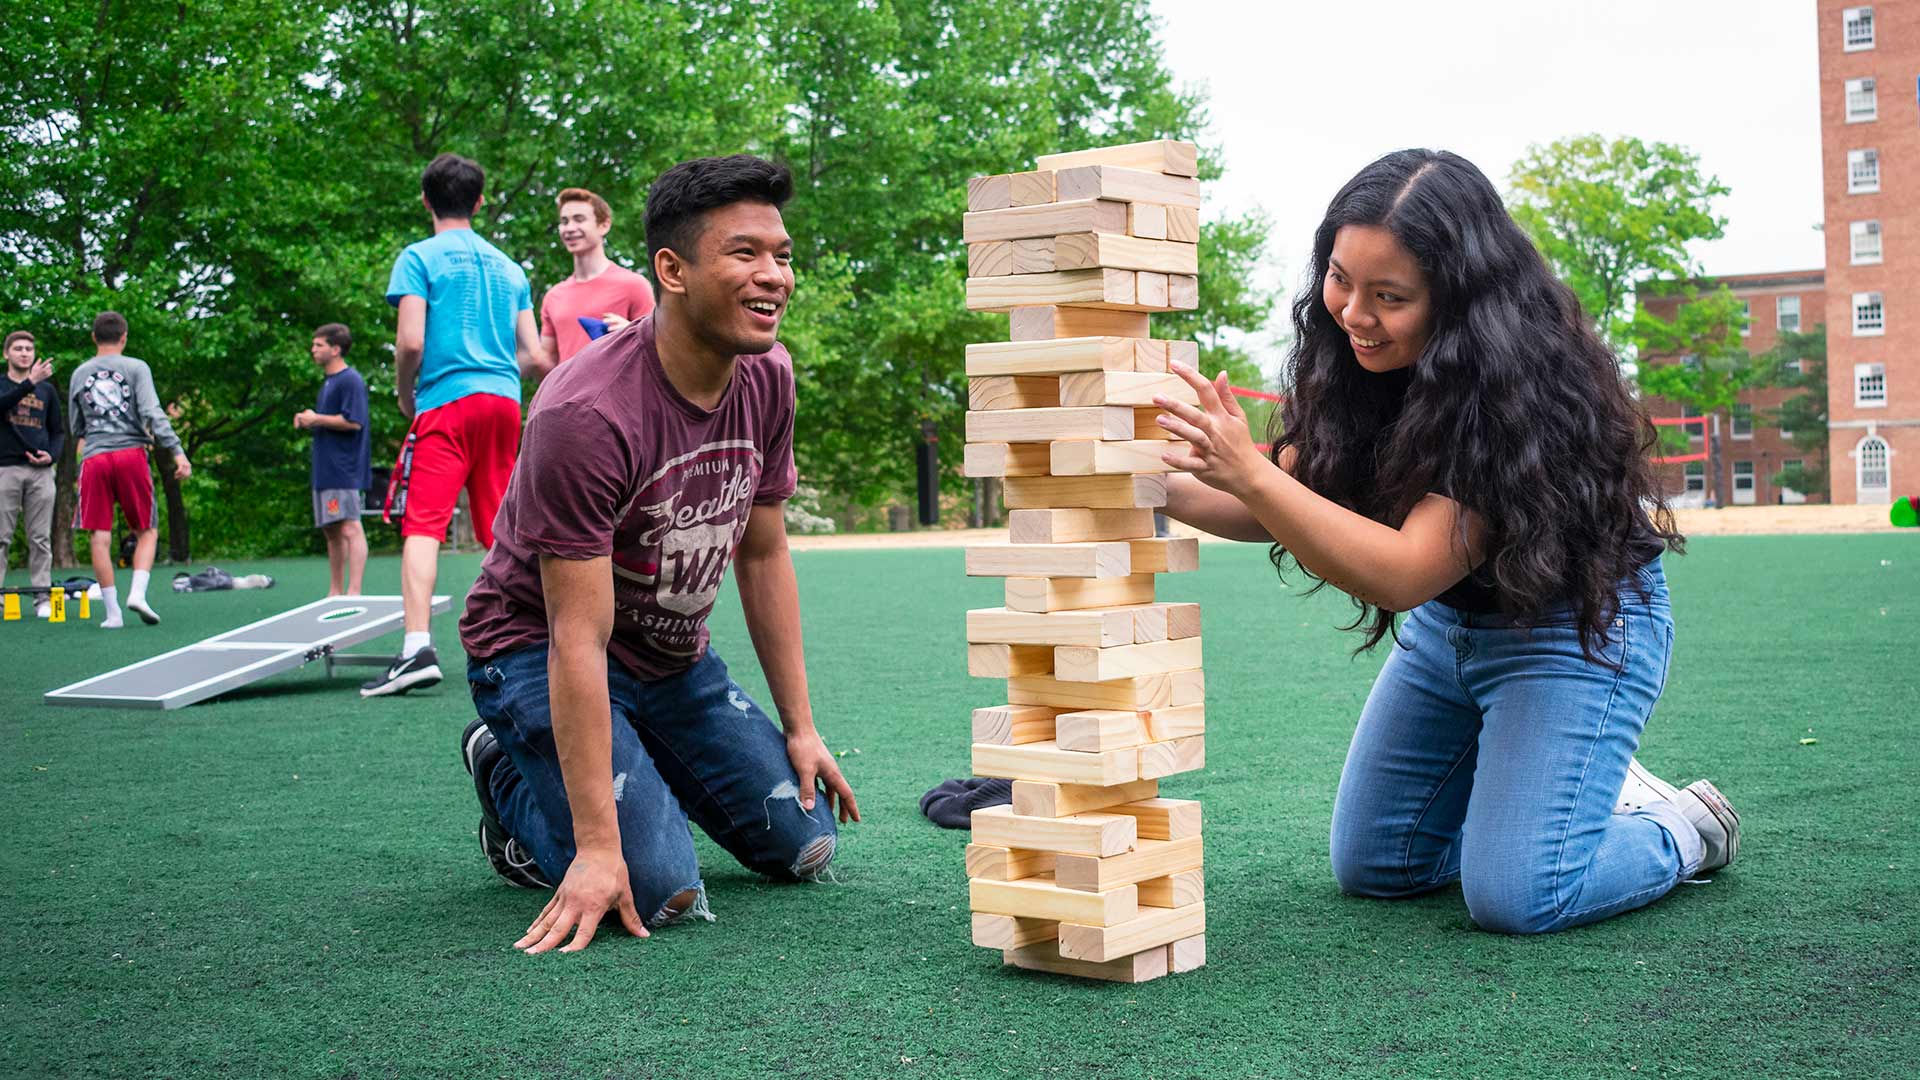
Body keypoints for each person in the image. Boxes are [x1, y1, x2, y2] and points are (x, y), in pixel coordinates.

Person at [1152, 149, 1739, 936]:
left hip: (1570, 634)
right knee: (1376, 867)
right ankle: (1547, 798)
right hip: (1450, 634)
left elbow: (1400, 573)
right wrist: (1149, 486)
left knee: (1519, 897)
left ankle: (1679, 829)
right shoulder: (1362, 364)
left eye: (1389, 296)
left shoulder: (1514, 398)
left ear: (1457, 298)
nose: (1353, 313)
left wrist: (1248, 476)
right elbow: (1294, 492)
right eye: (1339, 278)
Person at [458, 155, 858, 954]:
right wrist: (599, 848)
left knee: (804, 842)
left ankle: (634, 762)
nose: (774, 274)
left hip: (670, 661)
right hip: (539, 651)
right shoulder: (585, 412)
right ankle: (505, 774)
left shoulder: (769, 376)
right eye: (745, 253)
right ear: (672, 269)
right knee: (650, 888)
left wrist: (801, 727)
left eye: (781, 254)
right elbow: (577, 632)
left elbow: (763, 553)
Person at [364, 152, 549, 697]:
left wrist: (406, 395)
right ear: (481, 201)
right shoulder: (510, 267)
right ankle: (522, 645)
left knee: (424, 524)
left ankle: (416, 647)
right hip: (502, 403)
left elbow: (412, 341)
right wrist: (494, 375)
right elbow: (535, 355)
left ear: (426, 200)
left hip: (445, 402)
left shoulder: (419, 257)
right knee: (501, 528)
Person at [68, 312, 190, 629]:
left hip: (94, 457)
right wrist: (177, 450)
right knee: (146, 529)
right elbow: (152, 411)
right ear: (124, 337)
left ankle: (112, 614)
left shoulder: (80, 373)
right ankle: (137, 594)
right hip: (130, 454)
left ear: (94, 337)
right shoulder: (136, 368)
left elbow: (75, 426)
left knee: (99, 535)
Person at [538, 187, 656, 365]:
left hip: (618, 392)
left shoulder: (634, 285)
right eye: (564, 221)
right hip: (568, 392)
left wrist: (632, 334)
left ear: (604, 225)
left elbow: (658, 349)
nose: (569, 228)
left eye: (579, 219)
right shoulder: (553, 296)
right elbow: (545, 362)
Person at [295, 323, 370, 597]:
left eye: (319, 345)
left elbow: (354, 422)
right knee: (331, 529)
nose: (313, 350)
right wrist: (310, 419)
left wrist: (316, 418)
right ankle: (335, 591)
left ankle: (354, 591)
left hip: (343, 469)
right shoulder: (329, 382)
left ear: (336, 349)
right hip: (324, 469)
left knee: (350, 525)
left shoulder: (350, 380)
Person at [1, 331, 63, 617]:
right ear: (6, 354)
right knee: (2, 537)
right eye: (18, 348)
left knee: (40, 538)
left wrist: (52, 454)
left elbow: (58, 431)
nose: (24, 353)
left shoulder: (47, 391)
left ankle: (43, 598)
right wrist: (30, 383)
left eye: (29, 348)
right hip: (6, 469)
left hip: (40, 473)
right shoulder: (3, 385)